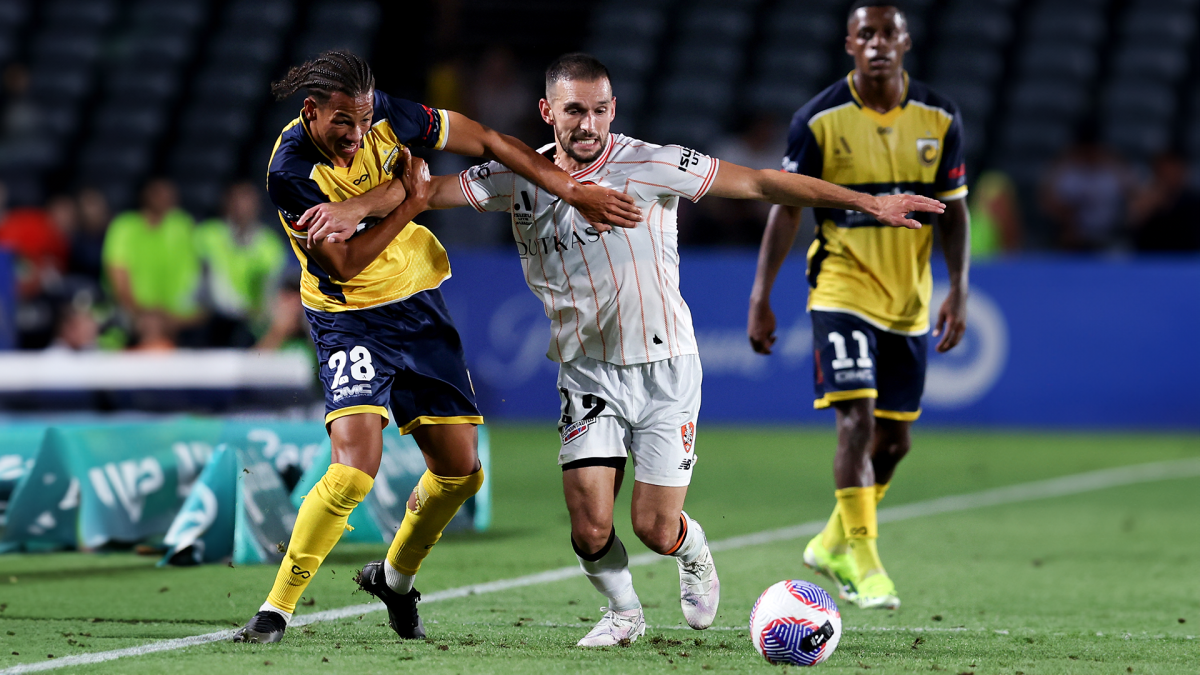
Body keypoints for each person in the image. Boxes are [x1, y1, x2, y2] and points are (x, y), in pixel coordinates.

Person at [309, 53, 943, 646]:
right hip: (586, 372)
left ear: (614, 108)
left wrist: (868, 201)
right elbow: (428, 192)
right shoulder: (519, 177)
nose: (588, 124)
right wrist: (356, 206)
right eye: (574, 111)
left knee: (652, 527)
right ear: (547, 113)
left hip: (667, 367)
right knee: (589, 527)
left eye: (600, 109)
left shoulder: (653, 164)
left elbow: (759, 184)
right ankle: (624, 613)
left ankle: (690, 548)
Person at [233, 50, 642, 644]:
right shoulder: (290, 171)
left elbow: (490, 141)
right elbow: (345, 263)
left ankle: (395, 581)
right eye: (341, 123)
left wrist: (571, 190)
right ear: (311, 112)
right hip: (347, 317)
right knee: (353, 472)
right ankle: (277, 609)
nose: (355, 135)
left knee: (460, 472)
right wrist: (414, 202)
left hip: (417, 303)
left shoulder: (389, 116)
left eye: (363, 121)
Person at [747, 0, 971, 611]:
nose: (877, 43)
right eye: (865, 33)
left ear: (905, 41)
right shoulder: (818, 120)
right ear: (849, 43)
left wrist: (959, 287)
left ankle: (830, 541)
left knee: (895, 443)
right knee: (857, 420)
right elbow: (786, 207)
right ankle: (868, 566)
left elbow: (955, 210)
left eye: (887, 33)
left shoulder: (938, 116)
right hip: (841, 288)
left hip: (910, 300)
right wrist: (762, 295)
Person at [101, 178, 202, 342]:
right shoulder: (124, 226)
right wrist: (141, 315)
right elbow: (118, 276)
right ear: (145, 195)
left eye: (169, 193)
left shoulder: (184, 226)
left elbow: (197, 277)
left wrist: (173, 318)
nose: (165, 198)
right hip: (133, 315)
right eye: (158, 193)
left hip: (175, 317)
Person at [194, 182, 287, 346]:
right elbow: (208, 285)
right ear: (227, 203)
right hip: (212, 316)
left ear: (257, 205)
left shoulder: (271, 245)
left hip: (251, 321)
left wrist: (257, 312)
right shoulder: (207, 235)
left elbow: (268, 293)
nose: (241, 206)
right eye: (236, 200)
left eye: (247, 200)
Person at [1041, 121, 1132, 252]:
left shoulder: (1115, 168)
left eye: (1092, 149)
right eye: (1084, 150)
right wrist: (1066, 217)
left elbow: (1135, 200)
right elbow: (1045, 203)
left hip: (1109, 239)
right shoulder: (1064, 168)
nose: (1088, 154)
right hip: (1072, 241)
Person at [1129, 152, 1200, 252]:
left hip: (1186, 260)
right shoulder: (1145, 198)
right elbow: (1130, 225)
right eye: (1164, 172)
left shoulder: (1194, 201)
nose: (1169, 176)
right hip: (1149, 259)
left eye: (1174, 171)